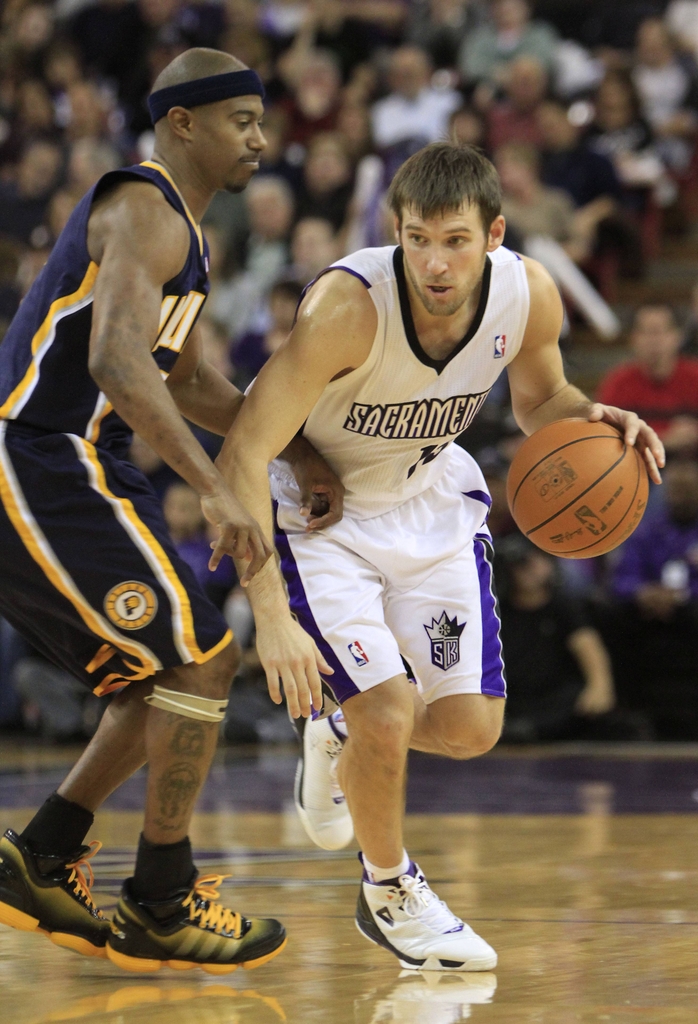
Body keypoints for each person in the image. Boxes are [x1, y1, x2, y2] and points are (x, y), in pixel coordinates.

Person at [217, 142, 664, 972]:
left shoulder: (527, 293)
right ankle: (389, 890)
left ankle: (337, 728)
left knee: (468, 730)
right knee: (390, 712)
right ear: (396, 231)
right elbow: (243, 449)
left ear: (493, 234)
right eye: (417, 239)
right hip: (325, 521)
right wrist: (270, 614)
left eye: (455, 241)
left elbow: (541, 398)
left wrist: (593, 419)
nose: (434, 262)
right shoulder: (348, 308)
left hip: (428, 501)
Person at [0, 48, 343, 974]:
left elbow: (183, 378)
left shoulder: (186, 233)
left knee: (161, 678)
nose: (262, 140)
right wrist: (218, 487)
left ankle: (42, 858)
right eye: (243, 121)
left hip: (88, 463)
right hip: (41, 452)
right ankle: (159, 898)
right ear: (182, 122)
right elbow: (115, 360)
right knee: (203, 657)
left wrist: (291, 446)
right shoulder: (142, 206)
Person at [597, 304, 698, 454]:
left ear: (678, 336)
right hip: (636, 463)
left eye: (660, 331)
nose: (654, 340)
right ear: (633, 338)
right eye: (646, 332)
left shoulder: (694, 376)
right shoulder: (618, 382)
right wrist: (664, 439)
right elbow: (605, 437)